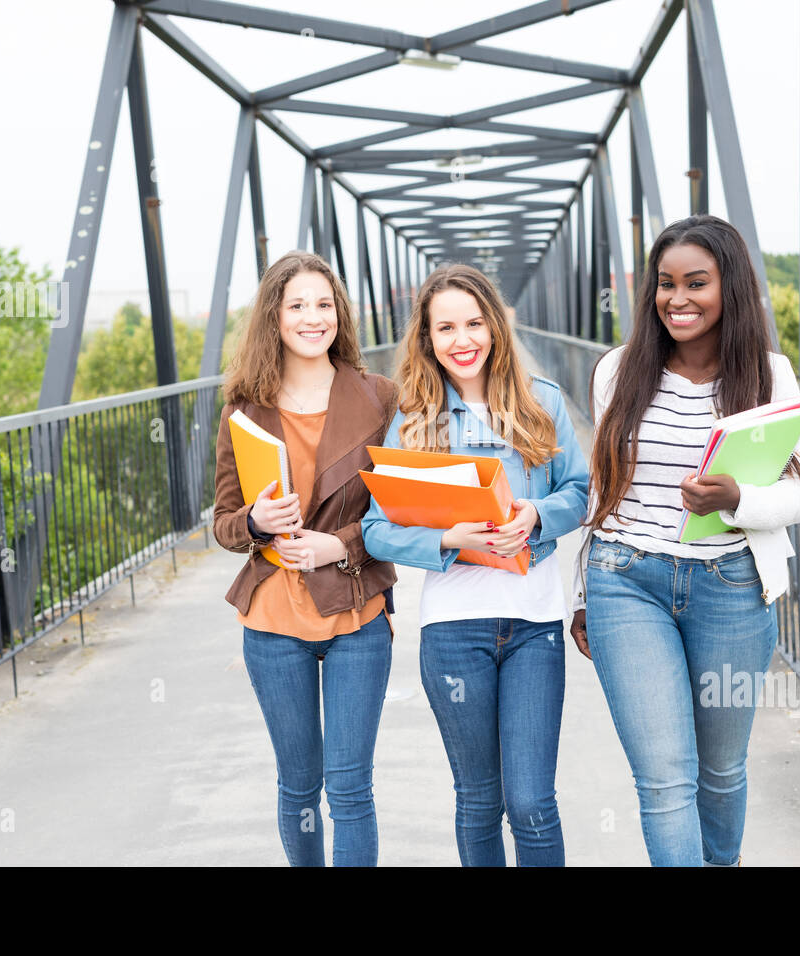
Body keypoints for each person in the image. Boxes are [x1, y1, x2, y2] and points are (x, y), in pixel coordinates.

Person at [569, 215, 800, 867]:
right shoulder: (617, 371)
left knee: (721, 773)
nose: (677, 299)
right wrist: (581, 595)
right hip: (626, 581)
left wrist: (738, 499)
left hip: (730, 588)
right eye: (665, 284)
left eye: (696, 284)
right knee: (664, 780)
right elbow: (602, 493)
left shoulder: (768, 376)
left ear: (729, 288)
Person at [361, 263, 588, 867]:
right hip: (453, 628)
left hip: (534, 626)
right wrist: (444, 539)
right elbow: (376, 530)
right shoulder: (413, 422)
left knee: (533, 802)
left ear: (495, 325)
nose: (462, 340)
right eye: (445, 328)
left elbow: (581, 491)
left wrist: (536, 516)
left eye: (473, 323)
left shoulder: (543, 403)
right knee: (480, 801)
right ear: (427, 340)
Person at [212, 250, 398, 867]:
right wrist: (256, 524)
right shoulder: (244, 408)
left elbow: (405, 511)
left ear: (339, 315)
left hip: (355, 611)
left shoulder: (380, 399)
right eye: (297, 306)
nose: (312, 318)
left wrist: (341, 544)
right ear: (275, 316)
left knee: (350, 788)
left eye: (324, 304)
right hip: (272, 621)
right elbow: (223, 523)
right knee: (299, 787)